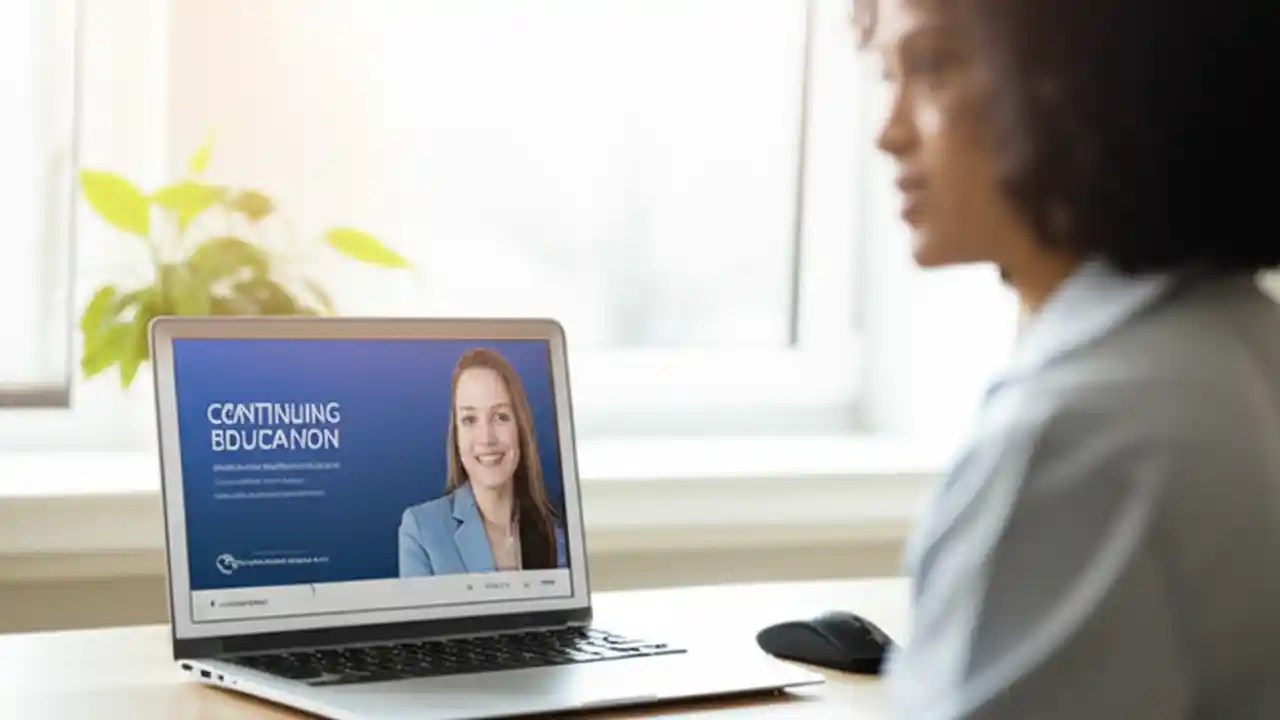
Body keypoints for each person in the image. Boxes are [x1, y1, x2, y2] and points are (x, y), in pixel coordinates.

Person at [857, 0, 1279, 718]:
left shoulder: (1075, 436)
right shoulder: (1240, 340)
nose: (888, 133)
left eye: (933, 66)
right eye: (884, 73)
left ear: (1077, 78)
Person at [399, 348, 566, 577]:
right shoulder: (421, 529)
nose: (486, 438)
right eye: (469, 419)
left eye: (500, 417)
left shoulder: (557, 532)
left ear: (520, 427)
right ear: (456, 433)